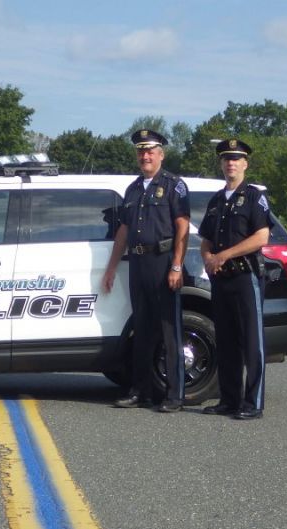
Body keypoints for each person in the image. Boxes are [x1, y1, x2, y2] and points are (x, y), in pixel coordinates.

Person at [102, 129, 190, 413]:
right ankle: (141, 391)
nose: (145, 156)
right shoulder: (133, 189)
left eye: (150, 151)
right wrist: (111, 267)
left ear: (161, 154)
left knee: (169, 330)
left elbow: (182, 226)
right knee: (142, 330)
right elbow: (124, 230)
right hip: (138, 263)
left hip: (162, 262)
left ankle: (175, 395)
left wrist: (176, 265)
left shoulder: (174, 185)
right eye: (141, 152)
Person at [199, 139, 271, 420]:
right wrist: (209, 258)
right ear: (221, 164)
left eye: (236, 159)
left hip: (245, 276)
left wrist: (224, 255)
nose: (231, 163)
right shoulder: (216, 200)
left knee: (252, 342)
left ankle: (253, 403)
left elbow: (261, 237)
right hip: (221, 278)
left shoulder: (254, 197)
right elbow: (206, 238)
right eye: (226, 159)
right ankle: (230, 400)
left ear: (245, 164)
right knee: (226, 341)